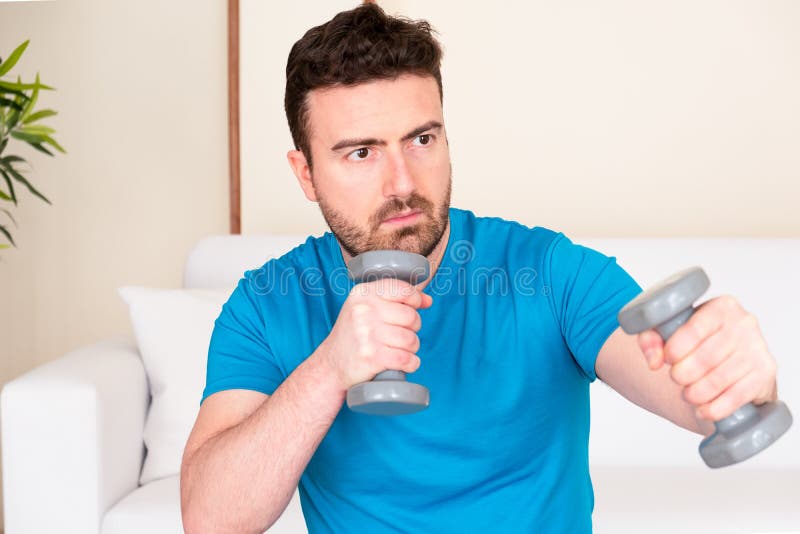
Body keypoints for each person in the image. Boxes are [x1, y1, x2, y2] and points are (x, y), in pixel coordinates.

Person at [179, 4, 780, 533]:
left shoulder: (549, 272)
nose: (402, 184)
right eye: (361, 152)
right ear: (306, 173)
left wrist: (735, 374)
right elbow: (210, 519)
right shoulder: (266, 304)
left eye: (421, 139)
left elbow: (696, 397)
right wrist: (328, 371)